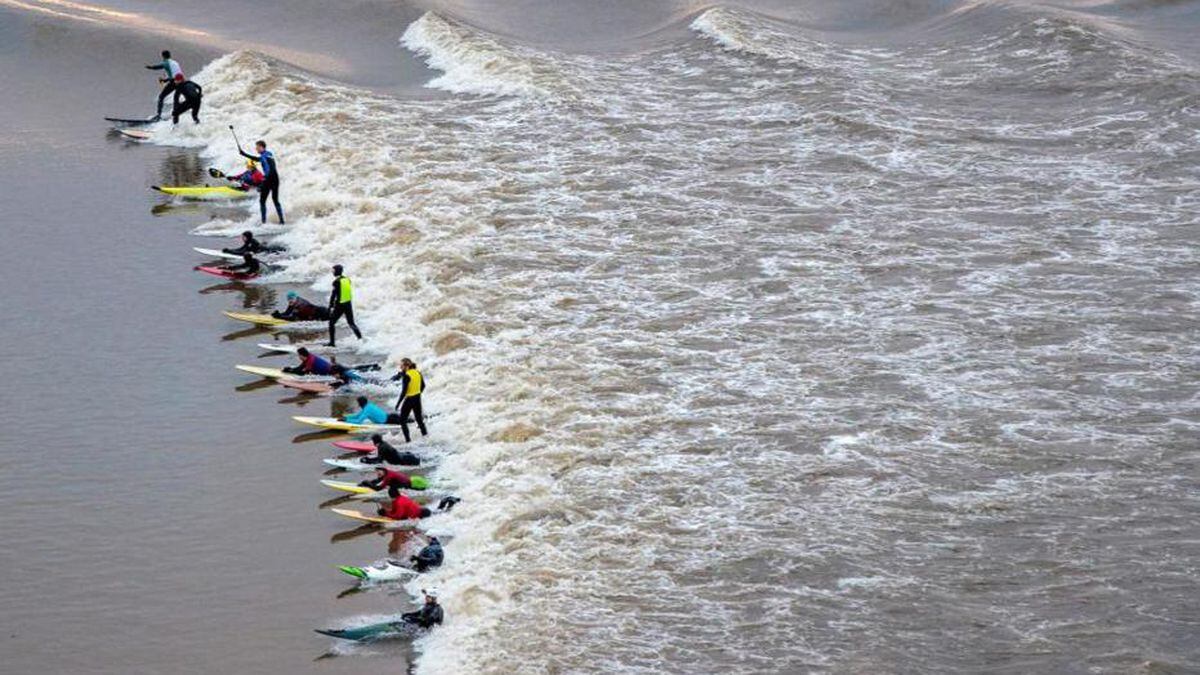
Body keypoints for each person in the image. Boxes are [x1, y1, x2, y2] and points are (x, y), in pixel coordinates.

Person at [238, 140, 283, 225]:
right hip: (276, 179)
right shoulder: (269, 154)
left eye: (257, 147)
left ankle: (263, 222)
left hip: (269, 179)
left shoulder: (264, 156)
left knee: (262, 201)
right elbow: (258, 159)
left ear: (261, 147)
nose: (256, 149)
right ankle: (282, 221)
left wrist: (264, 180)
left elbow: (269, 168)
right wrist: (244, 154)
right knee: (275, 200)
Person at [391, 359, 428, 443]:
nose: (400, 367)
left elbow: (404, 391)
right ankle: (426, 437)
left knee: (402, 420)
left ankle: (408, 441)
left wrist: (398, 403)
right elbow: (423, 386)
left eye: (402, 365)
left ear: (406, 366)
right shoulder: (418, 372)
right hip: (417, 398)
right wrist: (418, 393)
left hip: (410, 399)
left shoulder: (406, 376)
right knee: (419, 420)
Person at [326, 264, 362, 347]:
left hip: (340, 305)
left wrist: (330, 306)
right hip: (348, 304)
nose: (332, 272)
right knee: (351, 323)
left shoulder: (336, 282)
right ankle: (360, 339)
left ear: (336, 271)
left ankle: (332, 343)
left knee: (331, 323)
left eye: (333, 270)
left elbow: (333, 295)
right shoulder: (347, 280)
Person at [146, 50, 185, 120]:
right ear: (170, 55)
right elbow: (175, 75)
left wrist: (149, 67)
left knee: (161, 97)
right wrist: (165, 80)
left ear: (163, 56)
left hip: (174, 82)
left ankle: (158, 115)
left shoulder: (166, 63)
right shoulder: (175, 62)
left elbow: (156, 67)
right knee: (178, 97)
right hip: (182, 81)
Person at [359, 467, 427, 496]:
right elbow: (378, 480)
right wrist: (367, 483)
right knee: (391, 487)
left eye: (378, 472)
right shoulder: (386, 472)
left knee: (391, 489)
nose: (377, 473)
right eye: (376, 472)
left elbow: (378, 489)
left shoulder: (388, 476)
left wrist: (367, 483)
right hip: (408, 481)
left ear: (383, 470)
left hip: (409, 484)